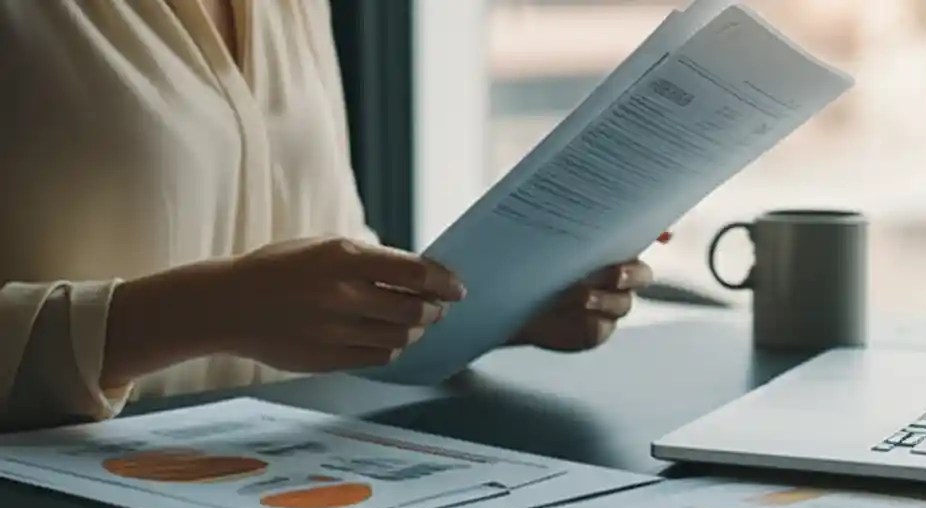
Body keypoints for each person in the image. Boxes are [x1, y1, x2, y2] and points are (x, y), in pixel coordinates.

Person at [0, 0, 657, 432]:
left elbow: (318, 263)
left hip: (272, 498)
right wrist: (213, 308)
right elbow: (257, 301)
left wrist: (500, 305)